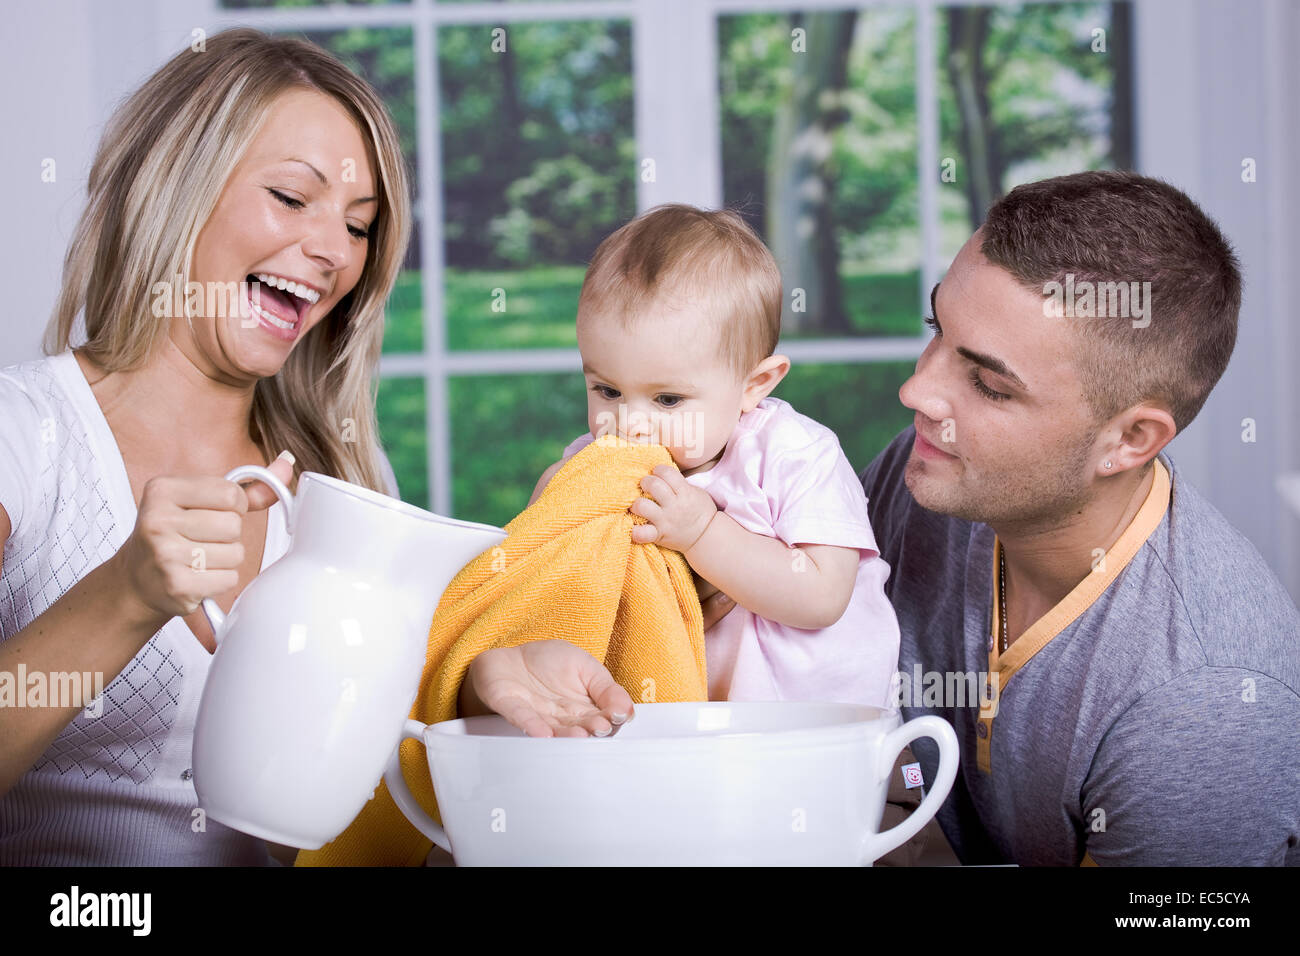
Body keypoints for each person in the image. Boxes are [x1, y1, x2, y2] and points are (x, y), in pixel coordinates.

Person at [858, 170, 1300, 865]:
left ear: (1129, 441)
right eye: (935, 328)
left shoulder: (1203, 698)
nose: (918, 389)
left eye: (988, 384)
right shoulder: (931, 474)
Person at [528, 204, 900, 707]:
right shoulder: (592, 461)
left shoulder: (795, 454)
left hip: (808, 725)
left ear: (754, 385)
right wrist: (557, 505)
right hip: (677, 721)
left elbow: (822, 596)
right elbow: (543, 584)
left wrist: (704, 534)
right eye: (607, 390)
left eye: (667, 400)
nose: (630, 423)